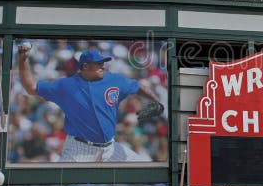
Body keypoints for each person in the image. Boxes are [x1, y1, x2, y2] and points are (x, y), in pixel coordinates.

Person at [17, 45, 159, 162]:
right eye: (98, 63)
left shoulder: (115, 80)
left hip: (110, 147)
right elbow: (31, 87)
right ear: (85, 66)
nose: (103, 66)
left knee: (145, 168)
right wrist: (22, 61)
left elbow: (137, 86)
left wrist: (154, 100)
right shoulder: (66, 85)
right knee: (64, 185)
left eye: (103, 62)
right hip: (80, 148)